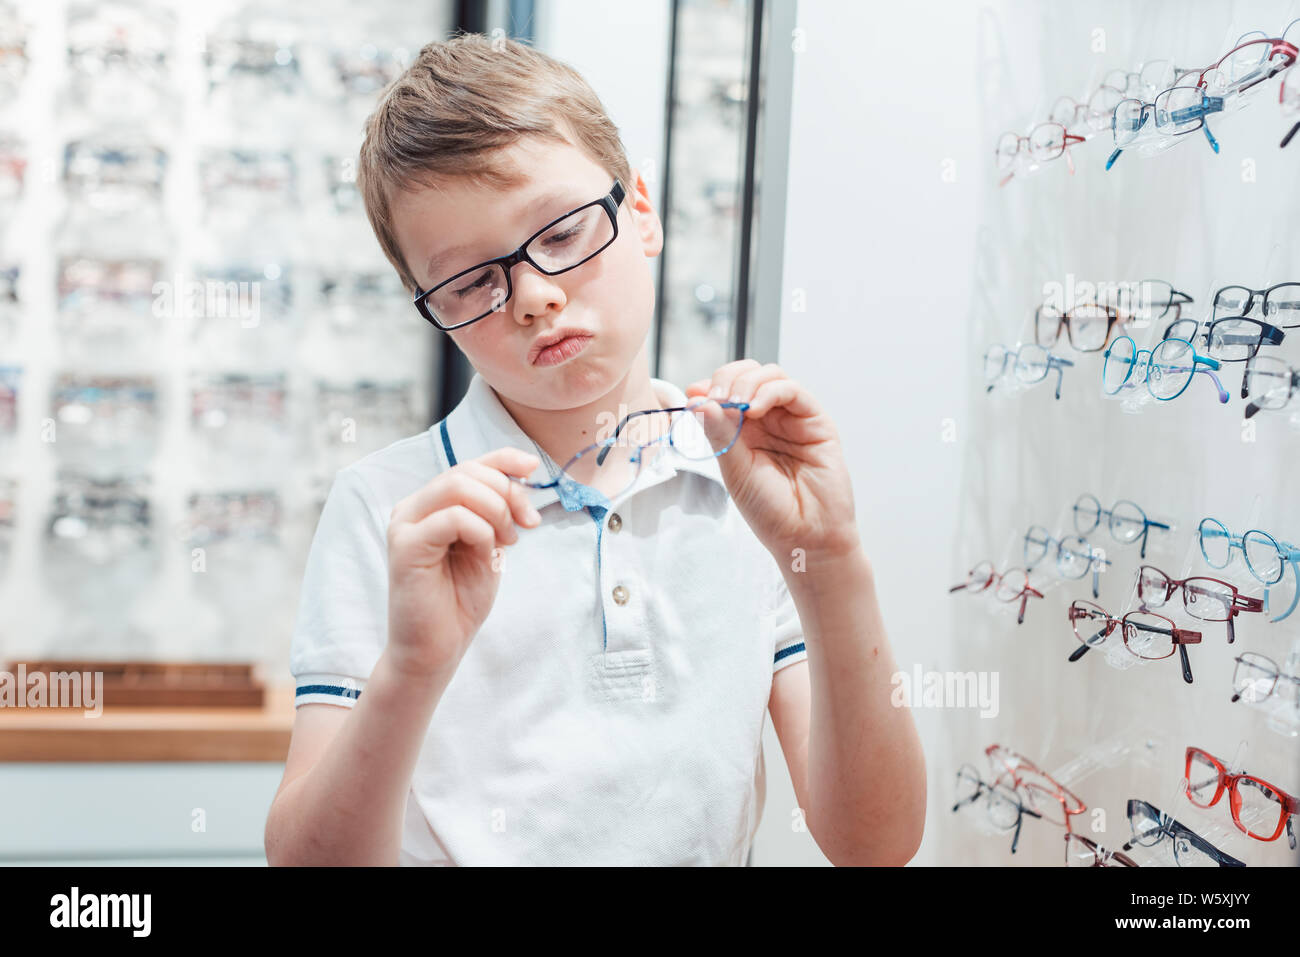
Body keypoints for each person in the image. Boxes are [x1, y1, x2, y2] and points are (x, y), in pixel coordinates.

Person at [263, 32, 925, 866]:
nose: (534, 297)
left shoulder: (746, 483)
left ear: (639, 212)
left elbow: (878, 842)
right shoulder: (393, 510)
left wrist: (827, 559)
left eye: (565, 232)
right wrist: (409, 666)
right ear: (430, 306)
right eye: (471, 282)